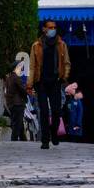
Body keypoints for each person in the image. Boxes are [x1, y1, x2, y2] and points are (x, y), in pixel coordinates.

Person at [27, 19, 70, 149]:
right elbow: (32, 66)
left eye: (54, 27)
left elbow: (67, 62)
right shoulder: (36, 46)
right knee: (44, 111)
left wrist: (64, 76)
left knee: (57, 111)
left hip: (56, 81)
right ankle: (45, 140)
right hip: (41, 82)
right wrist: (30, 84)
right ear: (44, 29)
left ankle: (54, 132)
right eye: (50, 27)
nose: (53, 30)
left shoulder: (61, 44)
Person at [4, 53, 29, 141]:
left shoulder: (9, 77)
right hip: (18, 104)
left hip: (12, 104)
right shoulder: (16, 78)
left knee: (19, 123)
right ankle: (13, 141)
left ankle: (23, 140)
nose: (22, 69)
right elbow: (23, 90)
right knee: (17, 124)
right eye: (20, 67)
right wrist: (27, 93)